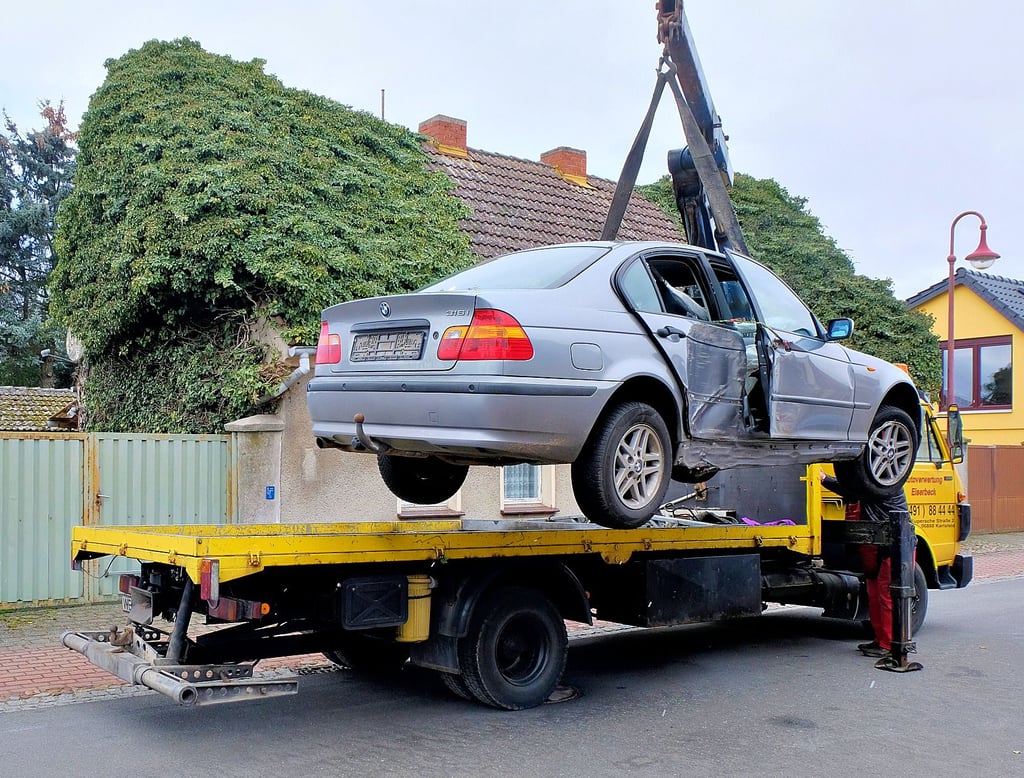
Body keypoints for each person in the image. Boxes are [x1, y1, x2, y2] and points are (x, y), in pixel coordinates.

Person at [820, 471, 913, 665]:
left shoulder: (886, 484)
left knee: (887, 595)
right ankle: (880, 640)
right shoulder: (879, 481)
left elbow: (854, 492)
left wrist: (825, 479)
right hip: (877, 542)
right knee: (874, 592)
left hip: (894, 544)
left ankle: (888, 644)